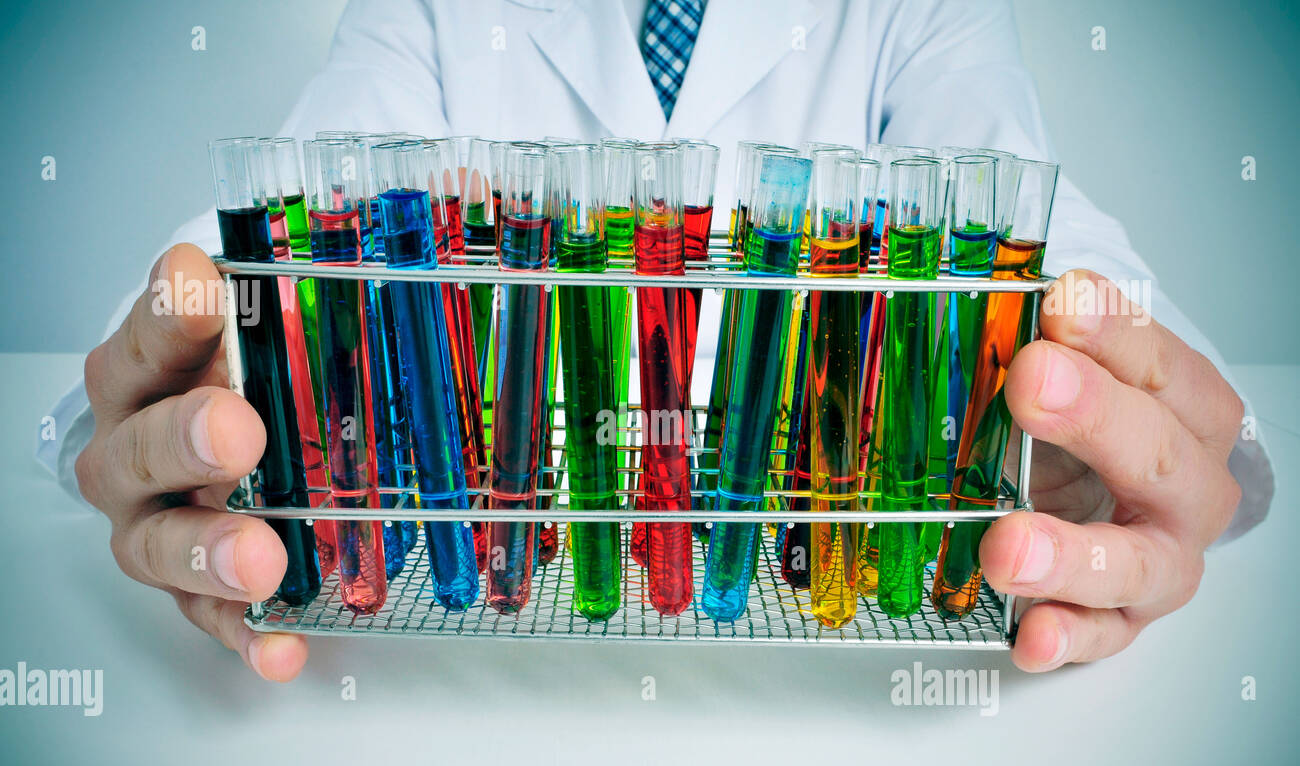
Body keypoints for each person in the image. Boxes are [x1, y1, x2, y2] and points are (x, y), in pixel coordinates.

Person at [40, 0, 1273, 681]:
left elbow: (1040, 217)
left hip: (819, 585)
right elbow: (268, 223)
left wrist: (1127, 422)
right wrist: (173, 398)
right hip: (479, 630)